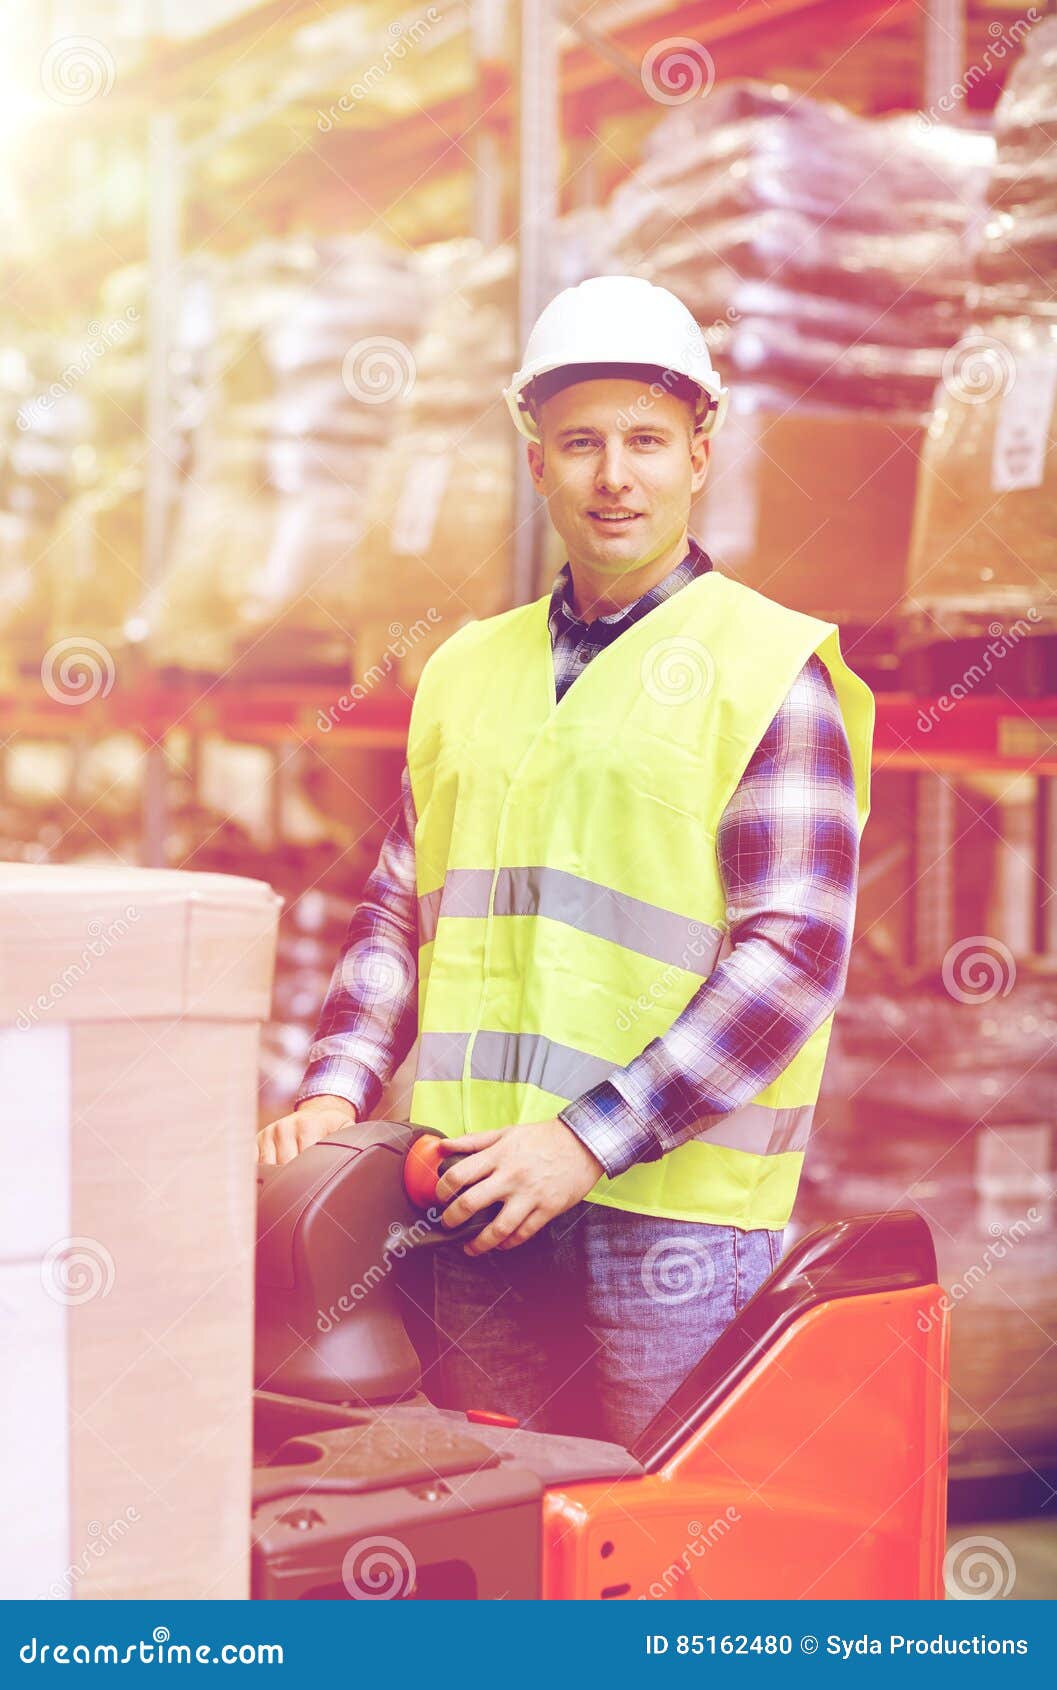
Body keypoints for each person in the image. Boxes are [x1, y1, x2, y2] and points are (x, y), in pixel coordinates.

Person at [257, 275, 874, 1450]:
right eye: (580, 443)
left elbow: (790, 958)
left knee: (661, 1541)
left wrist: (587, 1137)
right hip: (472, 1192)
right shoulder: (464, 669)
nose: (614, 475)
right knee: (504, 1504)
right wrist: (337, 1086)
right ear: (535, 462)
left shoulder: (764, 667)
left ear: (700, 452)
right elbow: (399, 908)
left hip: (671, 1219)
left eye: (646, 440)